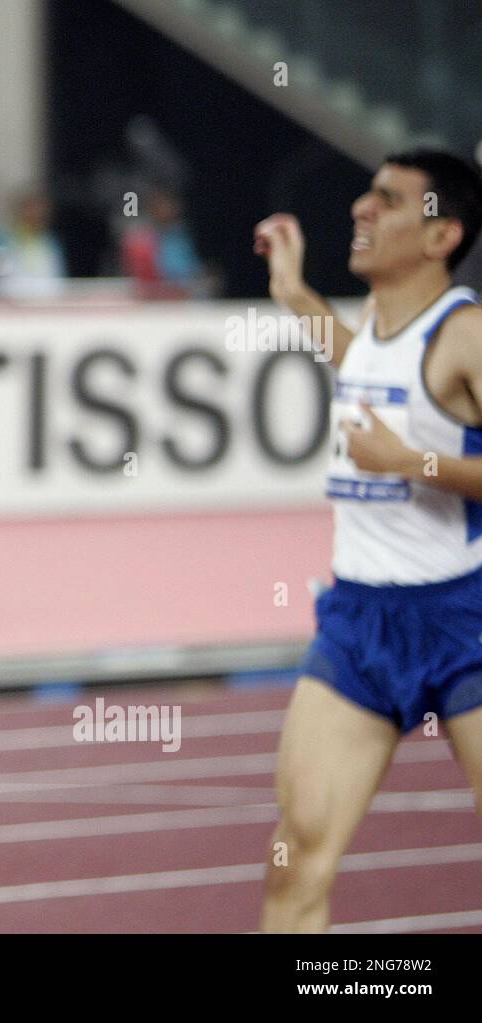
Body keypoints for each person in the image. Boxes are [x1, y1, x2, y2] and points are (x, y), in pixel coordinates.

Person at [253, 149, 482, 932]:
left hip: (466, 622)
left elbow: (410, 409)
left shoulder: (469, 335)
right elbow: (365, 366)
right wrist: (290, 290)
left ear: (441, 234)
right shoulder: (379, 335)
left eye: (388, 200)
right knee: (297, 858)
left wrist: (412, 461)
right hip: (358, 626)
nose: (361, 208)